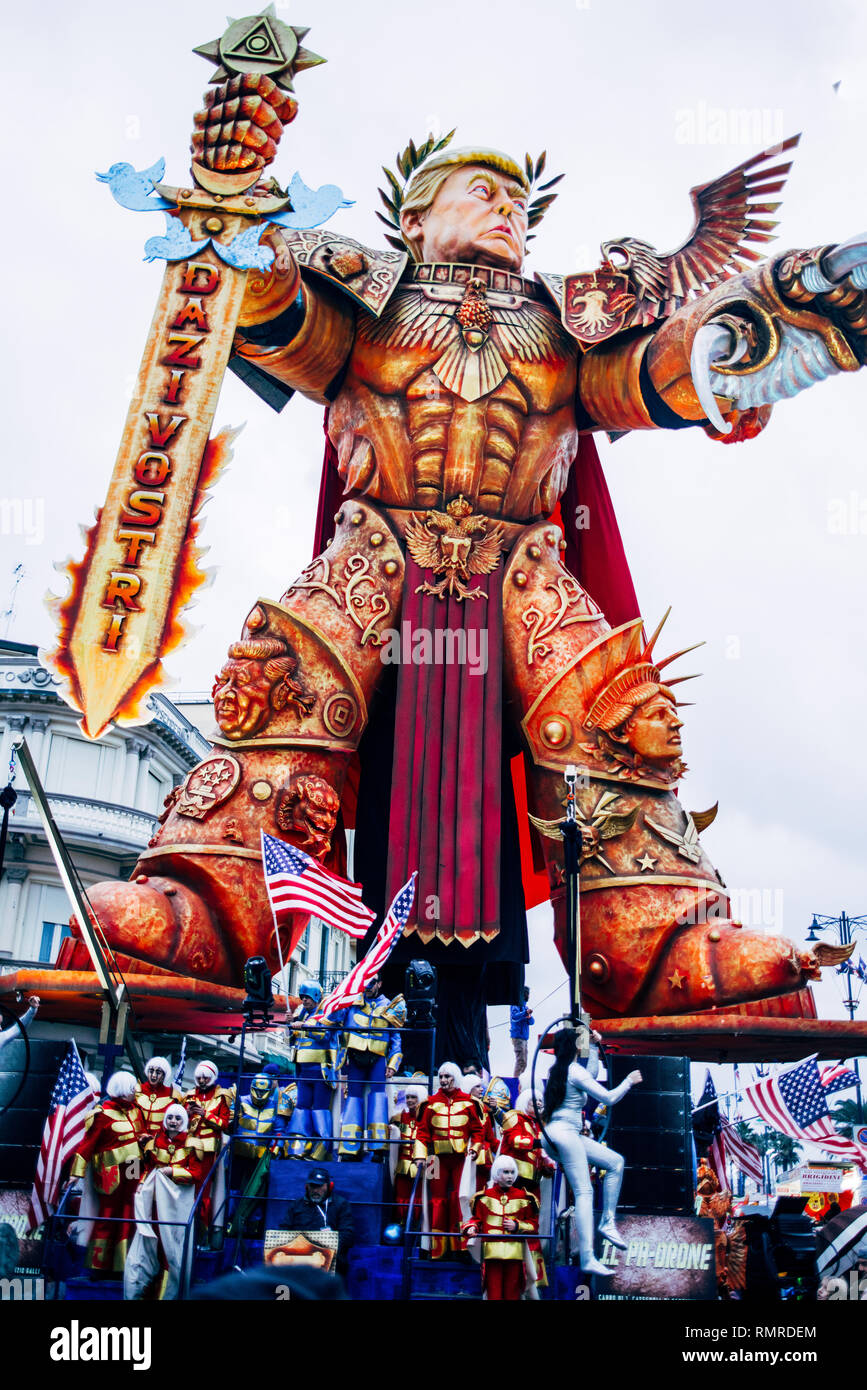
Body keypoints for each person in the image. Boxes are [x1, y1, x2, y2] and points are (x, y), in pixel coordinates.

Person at [82, 127, 867, 1058]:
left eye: (519, 207)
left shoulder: (566, 323)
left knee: (606, 721)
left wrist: (769, 315)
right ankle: (207, 907)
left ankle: (657, 941)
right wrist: (238, 244)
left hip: (525, 567)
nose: (507, 212)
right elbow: (280, 323)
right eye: (480, 193)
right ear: (413, 220)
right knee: (286, 702)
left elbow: (647, 375)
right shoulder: (363, 301)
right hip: (373, 554)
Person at [541, 1025, 641, 1277]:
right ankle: (588, 1256)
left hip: (557, 1135)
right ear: (574, 1047)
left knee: (615, 1162)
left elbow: (590, 1076)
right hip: (564, 1135)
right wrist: (628, 1081)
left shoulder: (560, 1070)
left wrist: (595, 1047)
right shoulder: (573, 1070)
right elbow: (608, 1098)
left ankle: (608, 1221)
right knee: (584, 1191)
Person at [67, 1070, 145, 1274]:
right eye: (131, 1090)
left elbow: (140, 1135)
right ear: (123, 1090)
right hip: (111, 1171)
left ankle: (123, 1264)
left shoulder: (136, 1111)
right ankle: (98, 1265)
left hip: (133, 1167)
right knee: (107, 1216)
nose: (134, 1093)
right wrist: (76, 1173)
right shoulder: (101, 1113)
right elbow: (86, 1145)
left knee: (129, 1213)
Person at [124, 1104, 203, 1300]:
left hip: (177, 1207)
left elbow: (196, 1174)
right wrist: (142, 1183)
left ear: (183, 1120)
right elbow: (143, 1168)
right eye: (170, 1118)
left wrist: (172, 1172)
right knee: (147, 1244)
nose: (173, 1122)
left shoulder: (193, 1143)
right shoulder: (153, 1142)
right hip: (153, 1205)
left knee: (173, 1251)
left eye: (177, 1118)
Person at [412, 1061, 484, 1260]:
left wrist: (475, 1150)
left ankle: (462, 1247)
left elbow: (478, 1132)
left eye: (447, 1076)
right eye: (441, 1077)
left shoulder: (471, 1103)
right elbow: (422, 1133)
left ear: (456, 1077)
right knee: (436, 1200)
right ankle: (436, 1248)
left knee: (461, 1199)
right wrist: (419, 1156)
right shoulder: (429, 1103)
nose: (443, 1080)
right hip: (434, 1159)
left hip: (461, 1158)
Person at [334, 974, 405, 1158]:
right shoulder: (351, 1001)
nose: (367, 986)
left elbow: (396, 1037)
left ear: (379, 984)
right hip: (355, 1056)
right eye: (365, 983)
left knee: (378, 1097)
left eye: (371, 983)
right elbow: (334, 1018)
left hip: (378, 1057)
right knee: (353, 1098)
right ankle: (350, 1146)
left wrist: (393, 1063)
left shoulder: (389, 1005)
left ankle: (378, 1145)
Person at [463, 1155, 539, 1301]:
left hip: (515, 1254)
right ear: (497, 1174)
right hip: (492, 1255)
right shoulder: (483, 1197)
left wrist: (517, 1225)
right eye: (505, 1172)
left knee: (513, 1295)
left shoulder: (525, 1197)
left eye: (512, 1172)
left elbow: (534, 1226)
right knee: (494, 1294)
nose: (510, 1176)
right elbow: (476, 1220)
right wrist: (471, 1228)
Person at [285, 981, 338, 1159]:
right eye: (302, 997)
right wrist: (290, 1025)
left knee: (320, 1109)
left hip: (321, 1068)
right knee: (302, 1107)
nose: (304, 1000)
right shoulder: (300, 1013)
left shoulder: (326, 1012)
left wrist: (305, 1026)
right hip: (302, 1069)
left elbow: (325, 1035)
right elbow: (292, 1041)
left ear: (316, 996)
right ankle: (298, 1147)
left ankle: (320, 1150)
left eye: (307, 997)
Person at [184, 1060, 234, 1237]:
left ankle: (202, 1231)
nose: (202, 1080)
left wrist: (205, 1114)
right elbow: (181, 1122)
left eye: (205, 1077)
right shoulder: (189, 1095)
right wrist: (188, 1114)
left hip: (208, 1151)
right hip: (188, 1149)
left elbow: (225, 1124)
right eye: (199, 1077)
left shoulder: (222, 1096)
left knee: (204, 1191)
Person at [280, 1166, 355, 1279]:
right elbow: (283, 1231)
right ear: (306, 1186)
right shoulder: (296, 1205)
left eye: (319, 1186)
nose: (315, 1190)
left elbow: (348, 1236)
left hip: (330, 1264)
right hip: (300, 1262)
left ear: (329, 1187)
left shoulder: (340, 1205)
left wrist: (323, 1246)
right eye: (312, 1186)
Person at [390, 1082, 426, 1226]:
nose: (410, 1100)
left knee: (421, 1197)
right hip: (403, 1166)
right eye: (408, 1097)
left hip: (424, 1166)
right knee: (401, 1197)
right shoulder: (398, 1118)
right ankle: (402, 1224)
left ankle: (419, 1227)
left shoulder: (428, 1118)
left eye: (414, 1098)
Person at [464, 1073, 496, 1191]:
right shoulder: (462, 1107)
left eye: (481, 1086)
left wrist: (503, 1149)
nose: (482, 1089)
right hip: (465, 1156)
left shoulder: (484, 1109)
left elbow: (490, 1138)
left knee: (481, 1192)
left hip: (483, 1161)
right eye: (477, 1086)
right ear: (469, 1088)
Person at [136, 1056, 181, 1137]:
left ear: (164, 1075)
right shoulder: (137, 1090)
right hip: (136, 1139)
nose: (153, 1075)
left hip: (159, 1142)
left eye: (158, 1072)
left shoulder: (173, 1095)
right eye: (151, 1071)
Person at [510, 989, 533, 1083]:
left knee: (524, 1062)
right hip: (518, 1036)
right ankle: (516, 1081)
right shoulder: (515, 1005)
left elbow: (532, 1022)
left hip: (524, 1037)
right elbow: (514, 1016)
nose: (529, 996)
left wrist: (528, 1016)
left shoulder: (525, 1007)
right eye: (527, 994)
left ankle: (521, 1081)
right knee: (520, 1060)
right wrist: (525, 1013)